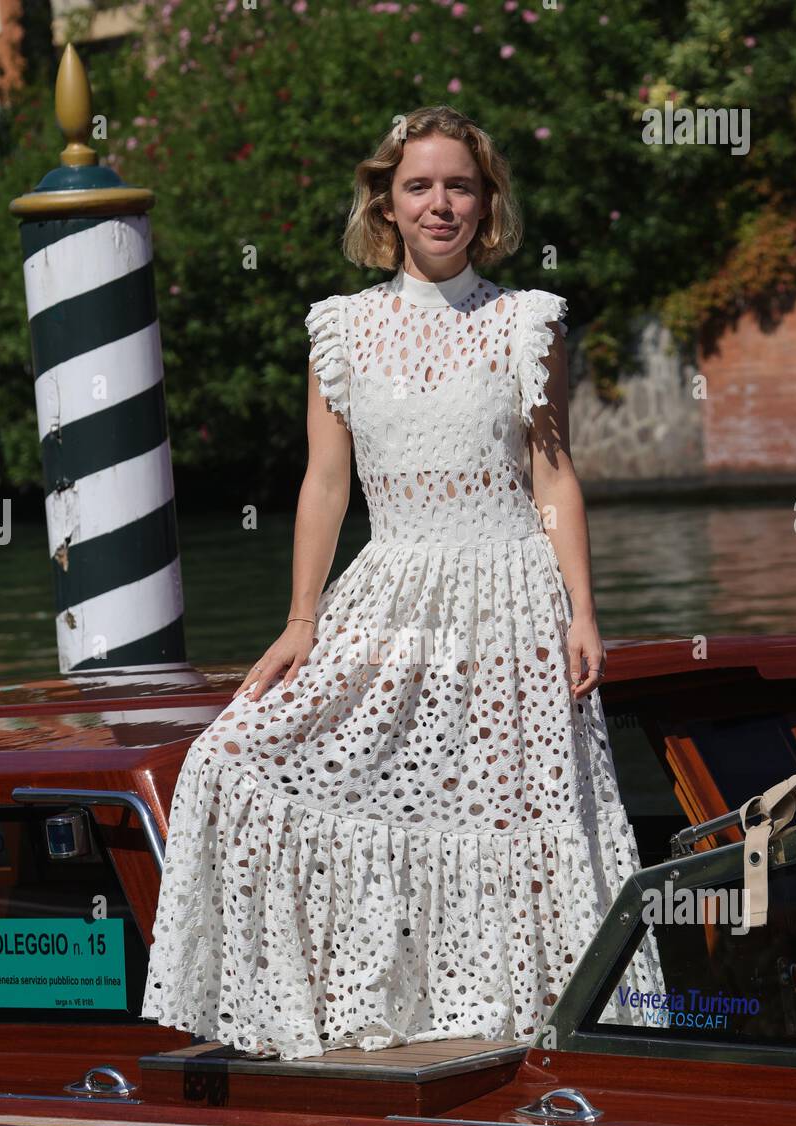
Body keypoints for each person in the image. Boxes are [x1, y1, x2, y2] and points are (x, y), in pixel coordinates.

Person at [140, 105, 644, 1060]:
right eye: (420, 186)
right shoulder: (340, 328)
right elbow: (326, 483)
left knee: (500, 815)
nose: (440, 203)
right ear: (387, 202)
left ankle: (523, 1032)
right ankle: (354, 1009)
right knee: (229, 756)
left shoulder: (527, 321)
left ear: (486, 201)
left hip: (510, 595)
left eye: (460, 185)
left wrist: (584, 612)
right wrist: (300, 621)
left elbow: (553, 475)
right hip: (388, 589)